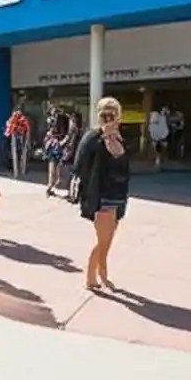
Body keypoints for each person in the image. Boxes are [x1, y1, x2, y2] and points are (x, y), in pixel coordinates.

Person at [74, 97, 130, 292]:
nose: (109, 118)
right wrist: (101, 139)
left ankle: (102, 273)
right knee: (103, 240)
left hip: (118, 196)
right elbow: (79, 165)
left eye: (113, 114)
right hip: (101, 195)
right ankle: (93, 276)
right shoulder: (93, 138)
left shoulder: (120, 138)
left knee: (108, 240)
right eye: (105, 114)